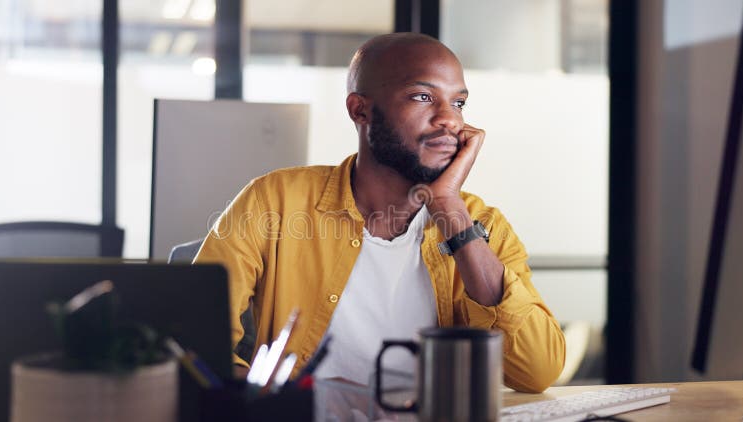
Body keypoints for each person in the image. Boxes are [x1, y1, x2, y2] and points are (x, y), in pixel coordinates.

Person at [194, 32, 565, 393]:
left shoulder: (482, 224)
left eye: (459, 103)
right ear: (361, 109)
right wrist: (283, 401)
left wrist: (449, 207)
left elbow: (537, 371)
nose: (450, 120)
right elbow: (194, 345)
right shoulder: (275, 201)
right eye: (423, 97)